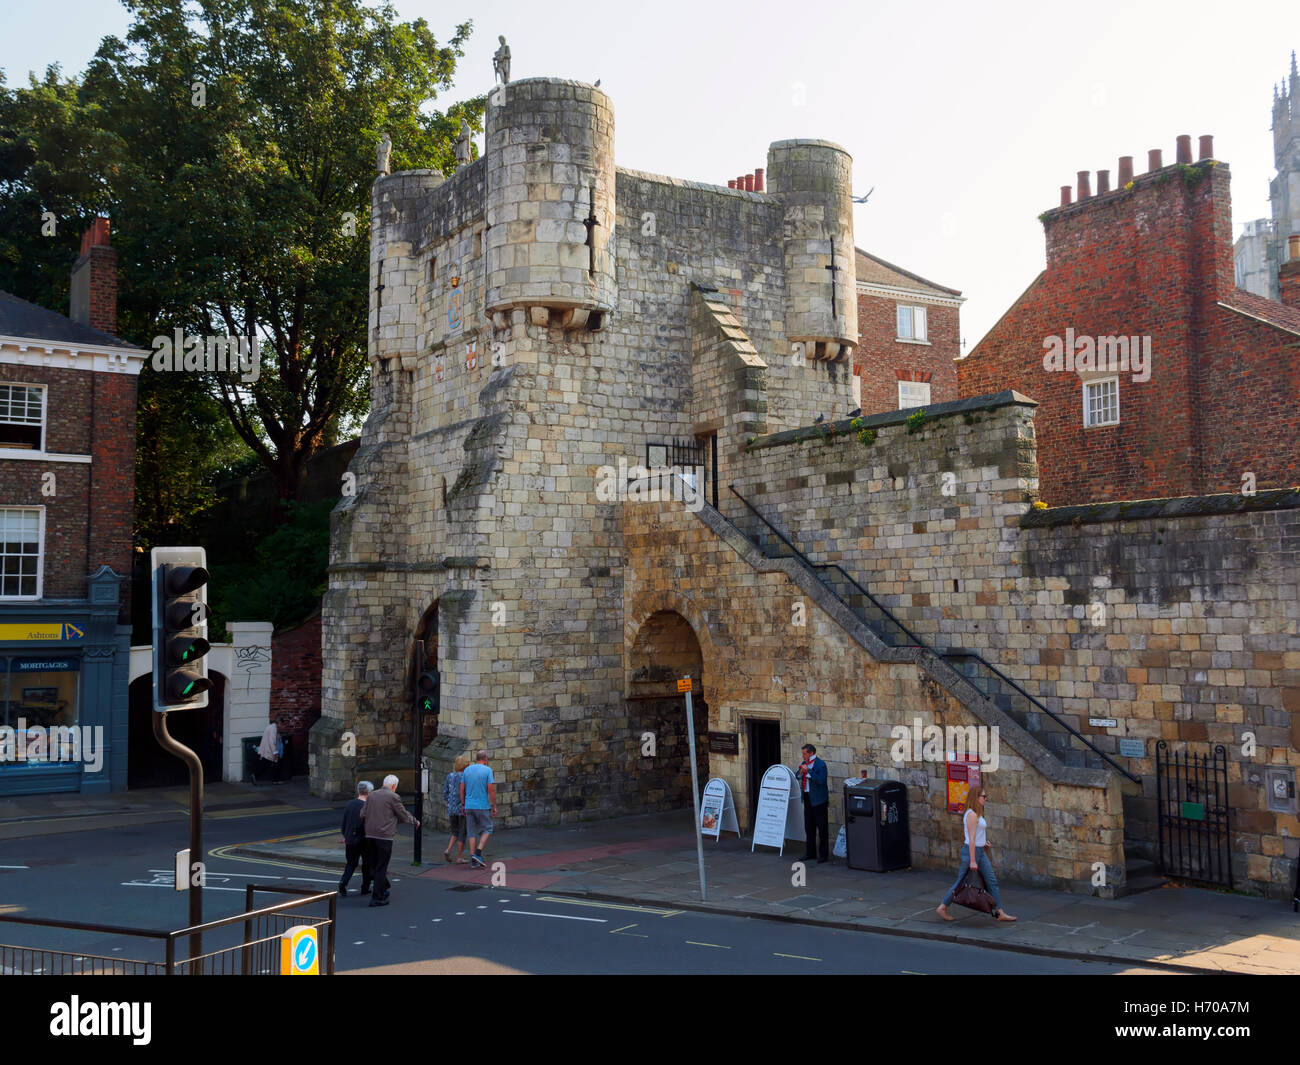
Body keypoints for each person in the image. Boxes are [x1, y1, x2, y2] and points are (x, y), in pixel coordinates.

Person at [936, 787, 1017, 923]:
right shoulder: (971, 814)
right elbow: (971, 838)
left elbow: (977, 836)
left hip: (979, 851)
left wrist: (984, 843)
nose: (985, 799)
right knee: (961, 882)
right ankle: (942, 907)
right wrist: (973, 861)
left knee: (991, 881)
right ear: (976, 797)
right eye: (983, 796)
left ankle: (999, 912)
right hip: (971, 852)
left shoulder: (977, 813)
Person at [363, 774, 419, 907]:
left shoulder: (371, 795)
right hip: (384, 837)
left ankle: (382, 889)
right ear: (394, 786)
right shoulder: (393, 797)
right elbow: (403, 814)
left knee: (376, 865)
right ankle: (377, 897)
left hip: (370, 835)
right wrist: (415, 821)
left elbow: (362, 813)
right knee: (381, 867)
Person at [459, 750, 497, 869]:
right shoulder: (487, 770)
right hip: (482, 805)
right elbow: (490, 789)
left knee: (471, 832)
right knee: (488, 829)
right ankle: (478, 852)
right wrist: (494, 805)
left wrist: (463, 804)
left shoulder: (467, 770)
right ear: (485, 758)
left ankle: (473, 860)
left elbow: (461, 789)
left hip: (469, 805)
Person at [338, 781, 373, 896]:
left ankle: (343, 882)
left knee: (351, 864)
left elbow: (344, 823)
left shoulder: (350, 804)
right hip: (364, 839)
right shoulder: (368, 806)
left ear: (359, 791)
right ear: (369, 792)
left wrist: (345, 836)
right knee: (367, 864)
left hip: (350, 840)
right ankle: (365, 888)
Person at [796, 743, 830, 863]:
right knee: (809, 827)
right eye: (803, 753)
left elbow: (821, 780)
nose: (803, 755)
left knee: (822, 828)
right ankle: (810, 853)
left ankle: (823, 855)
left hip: (819, 800)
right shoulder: (805, 763)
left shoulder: (820, 764)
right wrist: (801, 772)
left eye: (805, 753)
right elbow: (797, 775)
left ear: (811, 753)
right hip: (808, 798)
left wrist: (809, 771)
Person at [443, 754, 470, 864]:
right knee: (462, 833)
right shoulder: (465, 776)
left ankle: (448, 849)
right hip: (462, 808)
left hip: (451, 808)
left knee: (454, 831)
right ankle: (459, 857)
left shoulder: (450, 776)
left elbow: (445, 793)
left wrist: (450, 802)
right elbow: (466, 792)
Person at [251, 712, 280, 785]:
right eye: (281, 724)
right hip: (269, 752)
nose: (281, 726)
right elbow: (272, 741)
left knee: (267, 766)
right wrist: (275, 753)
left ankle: (274, 780)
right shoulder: (274, 729)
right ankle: (274, 780)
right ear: (279, 723)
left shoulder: (269, 727)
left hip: (265, 751)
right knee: (267, 766)